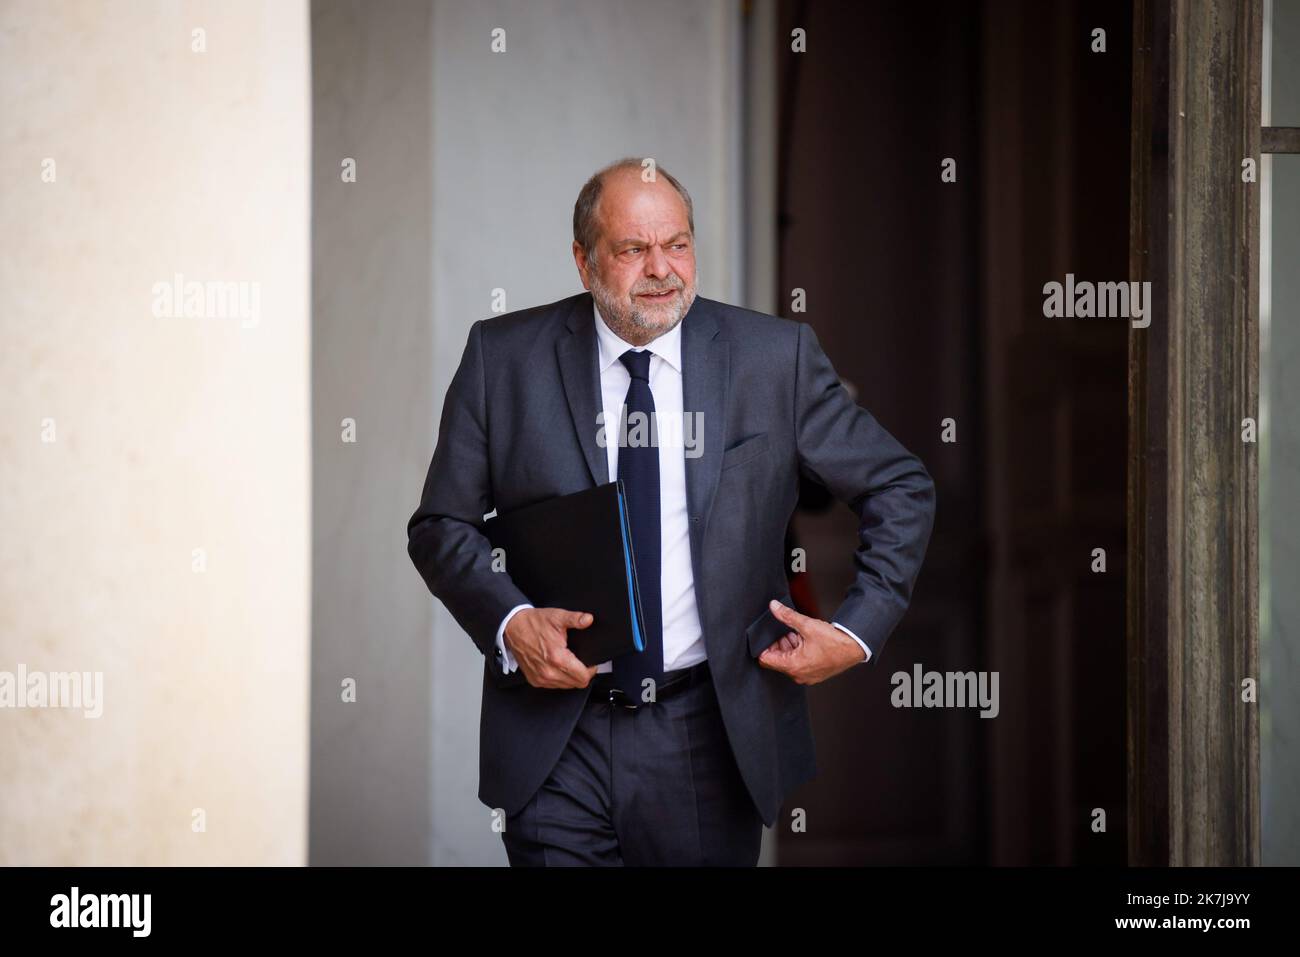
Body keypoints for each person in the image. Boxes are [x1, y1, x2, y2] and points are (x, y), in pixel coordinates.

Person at [406, 157, 936, 866]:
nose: (661, 268)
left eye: (677, 244)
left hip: (707, 732)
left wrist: (856, 629)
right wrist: (510, 622)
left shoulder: (772, 359)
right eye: (633, 249)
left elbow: (899, 484)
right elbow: (441, 525)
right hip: (556, 738)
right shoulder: (501, 360)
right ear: (583, 259)